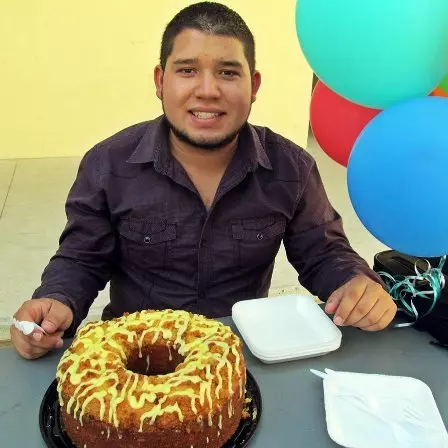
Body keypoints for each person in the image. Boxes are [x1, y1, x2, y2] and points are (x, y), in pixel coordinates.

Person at [11, 2, 397, 360]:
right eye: (187, 70)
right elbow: (81, 257)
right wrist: (55, 302)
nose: (208, 90)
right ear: (161, 81)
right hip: (133, 355)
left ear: (254, 86)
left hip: (240, 354)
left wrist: (355, 284)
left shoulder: (291, 168)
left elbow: (323, 253)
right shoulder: (107, 164)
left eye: (228, 73)